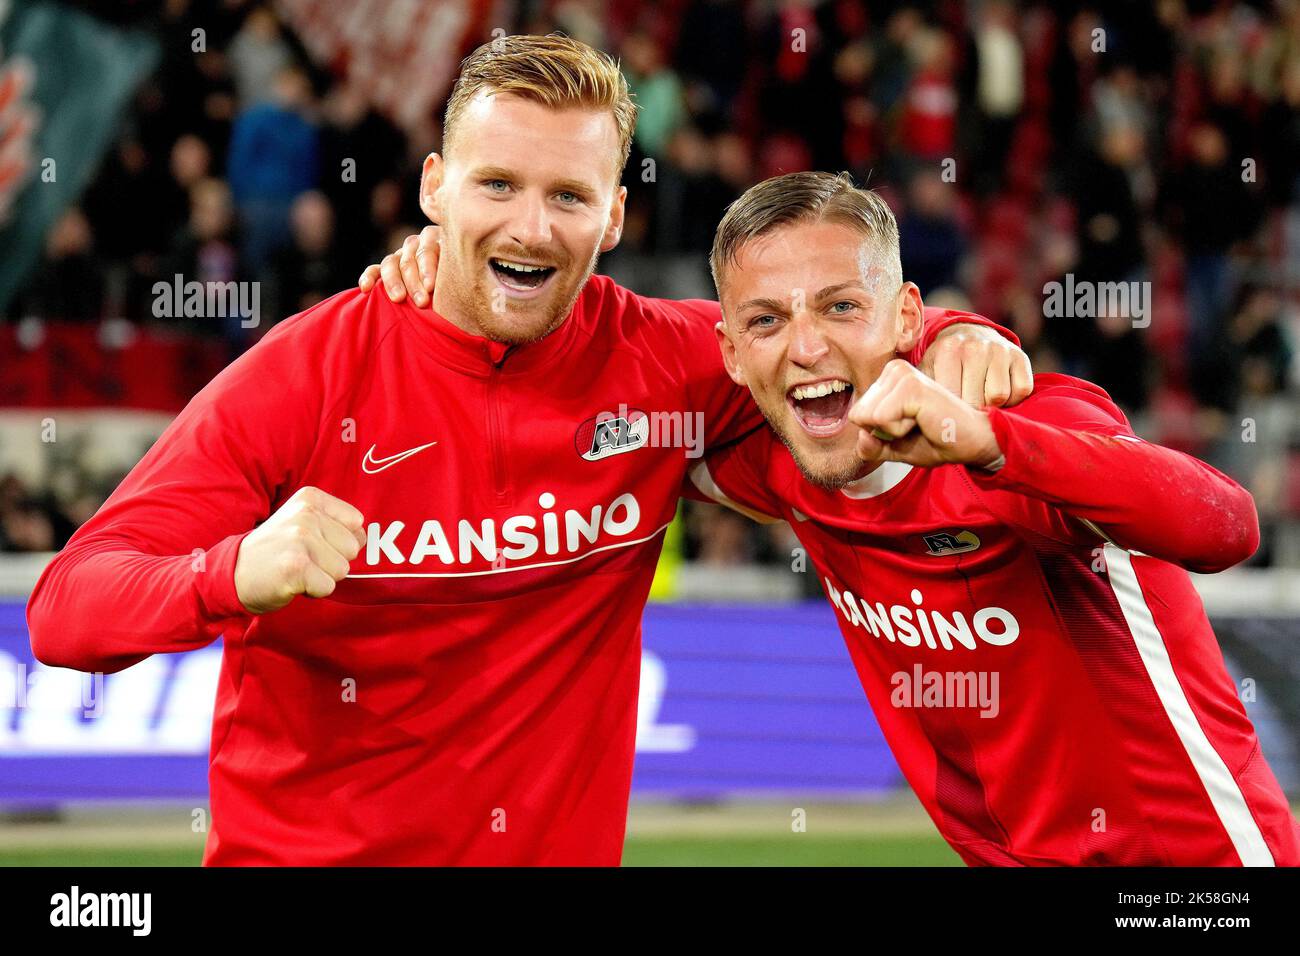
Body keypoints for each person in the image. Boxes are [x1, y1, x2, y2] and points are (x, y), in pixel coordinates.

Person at [27, 36, 1028, 866]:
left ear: (616, 214)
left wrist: (956, 335)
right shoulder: (304, 375)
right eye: (496, 184)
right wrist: (233, 570)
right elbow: (69, 609)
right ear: (435, 187)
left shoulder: (673, 360)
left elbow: (828, 338)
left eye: (567, 195)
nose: (530, 226)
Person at [686, 170, 1300, 865]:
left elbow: (1227, 525)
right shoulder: (786, 467)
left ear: (907, 318)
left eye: (841, 307)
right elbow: (619, 424)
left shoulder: (1024, 420)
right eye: (766, 320)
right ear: (732, 354)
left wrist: (991, 446)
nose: (805, 348)